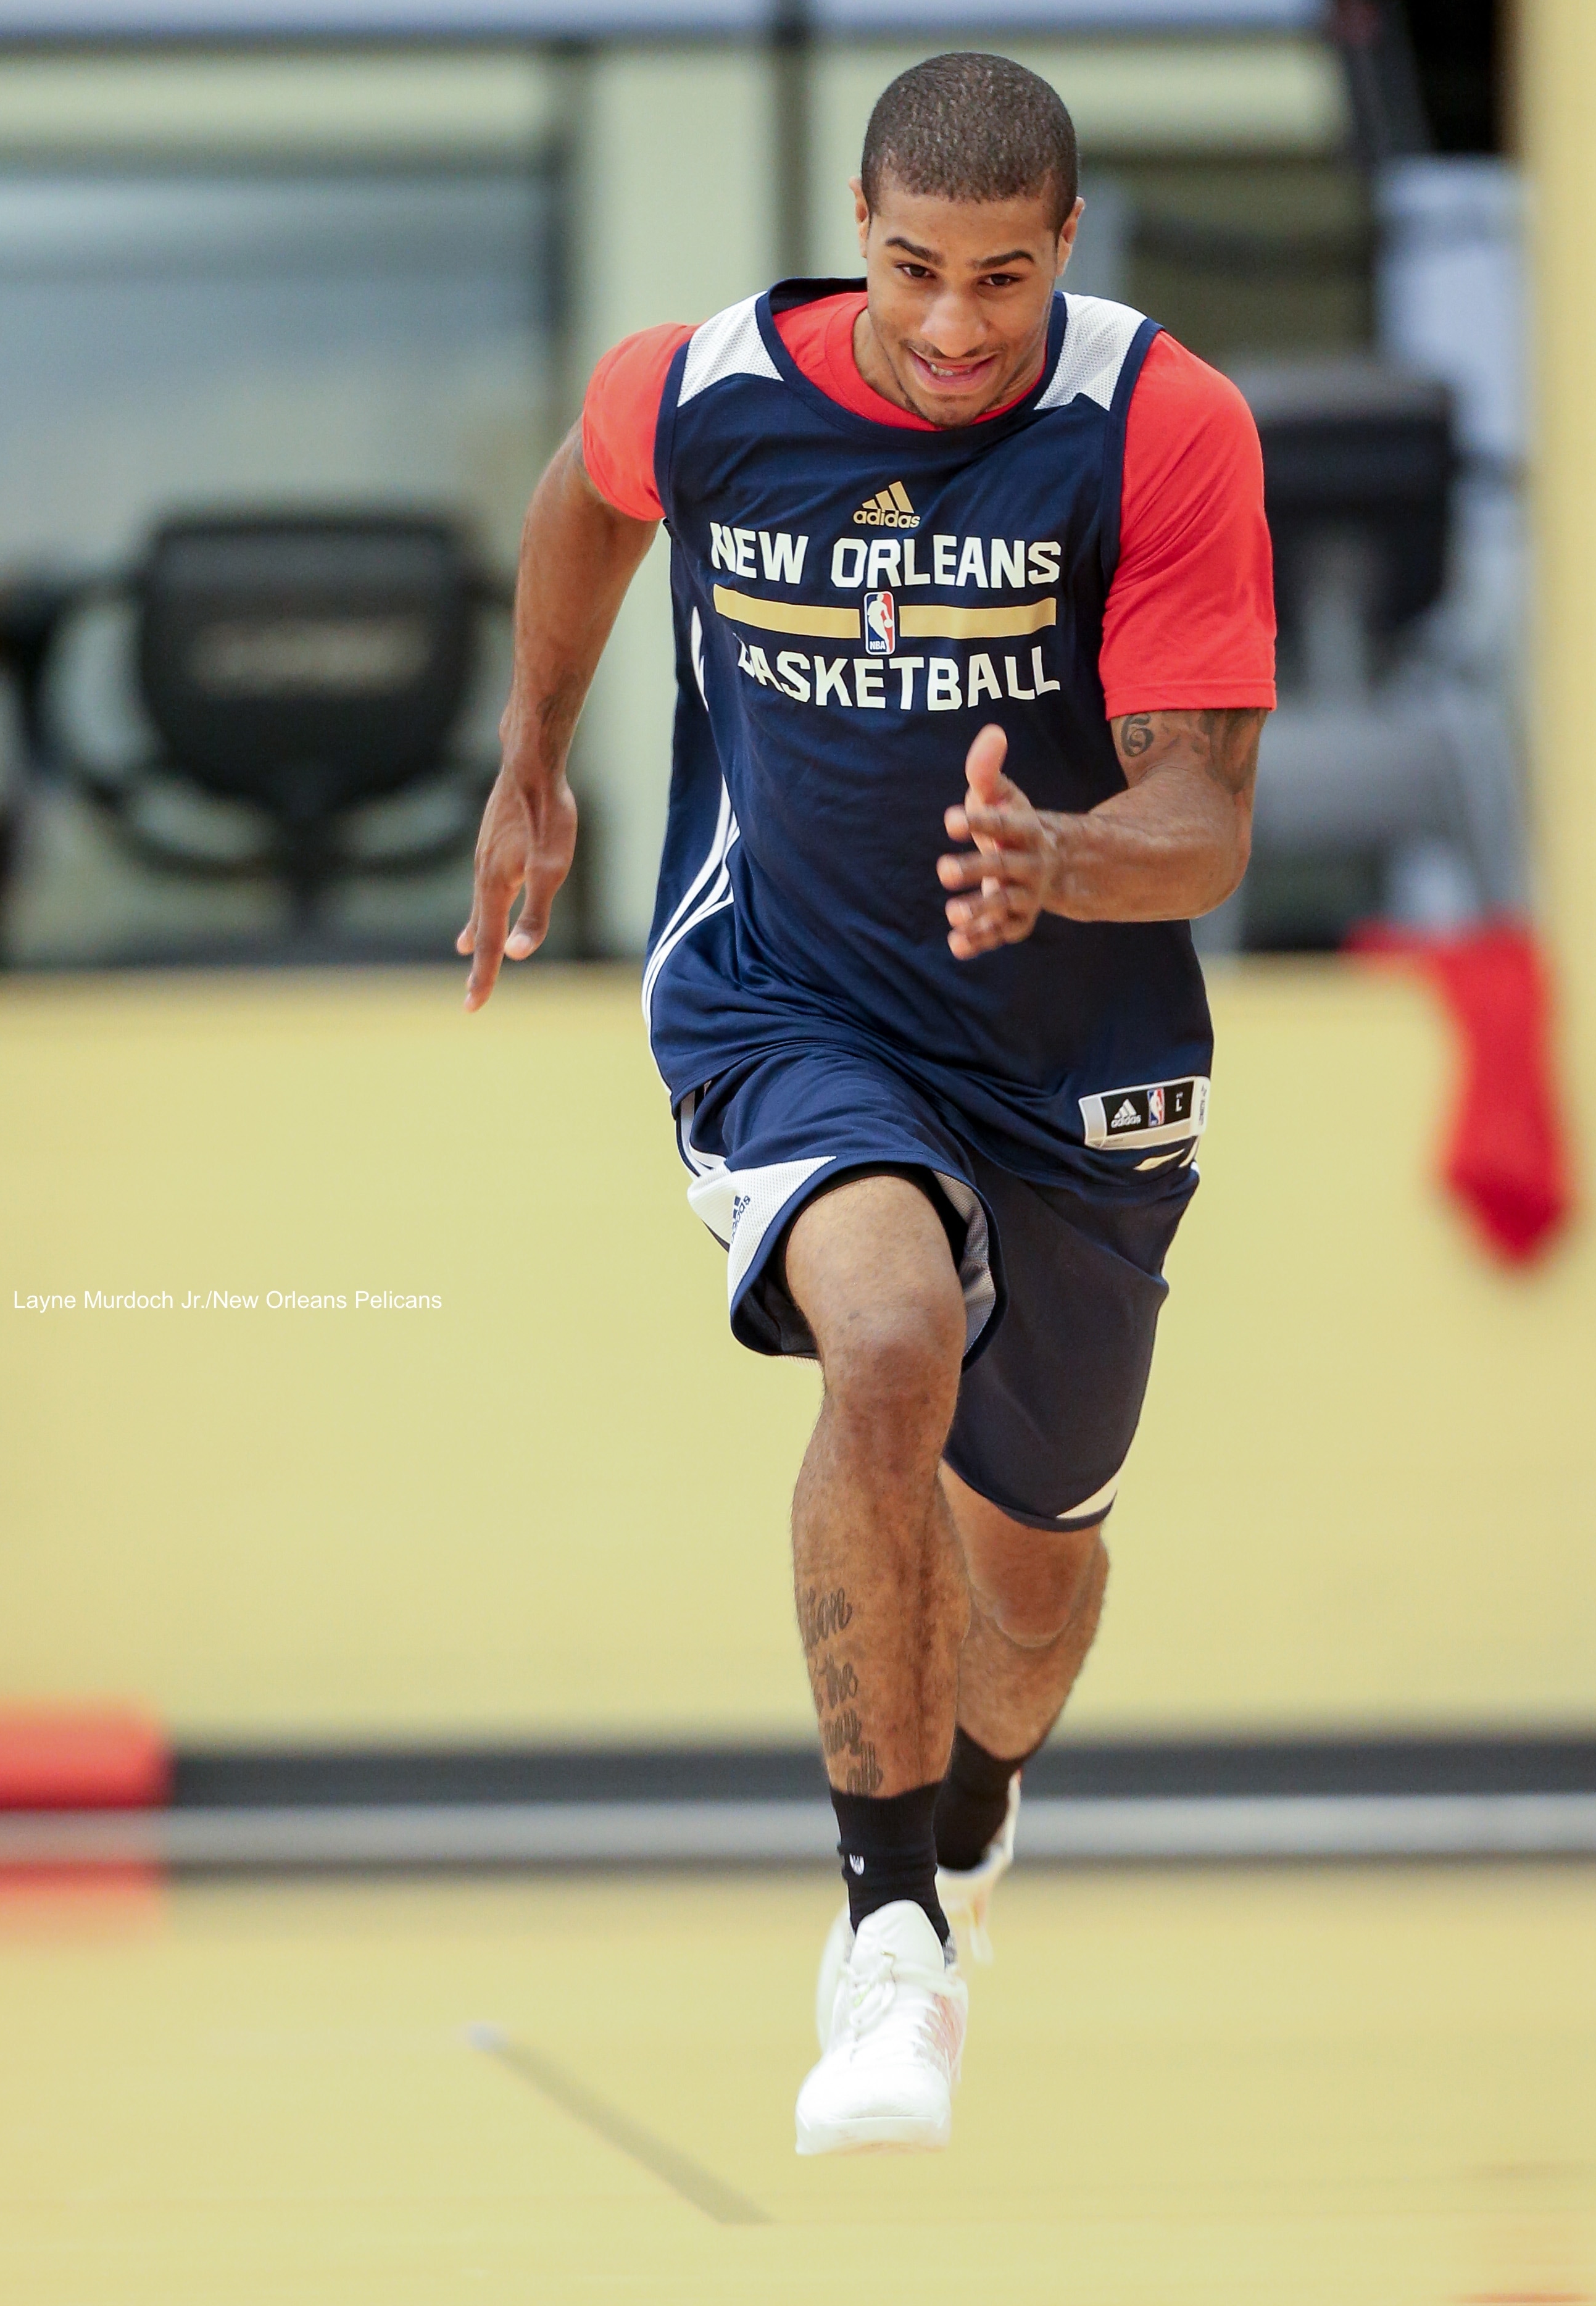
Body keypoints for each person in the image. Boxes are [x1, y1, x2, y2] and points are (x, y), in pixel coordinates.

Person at [459, 52, 1275, 2155]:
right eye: (913, 267)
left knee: (1036, 1583)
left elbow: (1202, 813)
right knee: (889, 1341)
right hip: (787, 996)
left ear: (1066, 247)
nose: (950, 325)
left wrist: (1063, 861)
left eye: (1001, 277)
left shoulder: (1158, 426)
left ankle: (978, 1800)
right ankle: (884, 1929)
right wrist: (537, 751)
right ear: (858, 224)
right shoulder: (712, 385)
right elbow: (583, 493)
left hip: (1074, 1045)